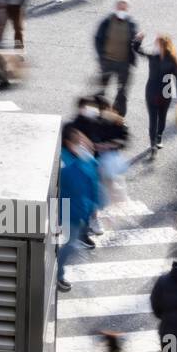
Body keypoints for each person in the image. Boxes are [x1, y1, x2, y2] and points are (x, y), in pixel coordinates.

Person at [57, 124, 102, 292]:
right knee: (67, 244)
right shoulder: (63, 162)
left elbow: (93, 180)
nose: (82, 143)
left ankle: (56, 271)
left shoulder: (83, 157)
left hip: (75, 208)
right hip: (66, 209)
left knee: (66, 241)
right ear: (68, 143)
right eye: (78, 141)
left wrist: (94, 205)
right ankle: (57, 275)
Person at [94, 0, 142, 116]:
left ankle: (119, 117)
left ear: (127, 10)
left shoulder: (131, 23)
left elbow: (134, 45)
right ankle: (99, 113)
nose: (122, 11)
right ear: (116, 8)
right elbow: (98, 39)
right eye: (120, 8)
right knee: (101, 89)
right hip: (107, 61)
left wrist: (138, 40)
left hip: (124, 63)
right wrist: (101, 57)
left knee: (122, 93)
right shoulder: (107, 21)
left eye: (124, 9)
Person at [142, 34, 177, 152]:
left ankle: (153, 143)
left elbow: (137, 50)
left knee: (153, 118)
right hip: (165, 94)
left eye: (156, 43)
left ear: (160, 45)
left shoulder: (152, 56)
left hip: (151, 93)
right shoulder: (172, 60)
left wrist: (138, 41)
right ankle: (158, 138)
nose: (154, 45)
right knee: (161, 118)